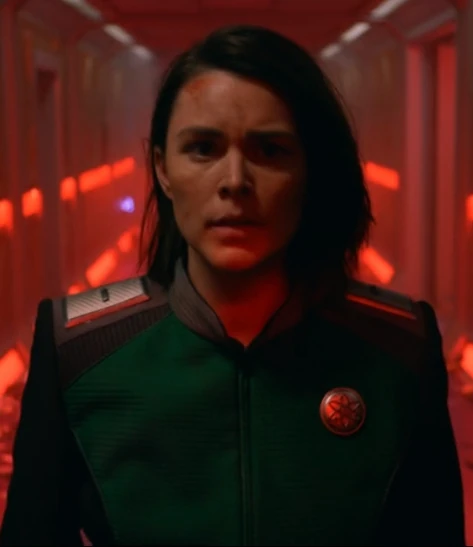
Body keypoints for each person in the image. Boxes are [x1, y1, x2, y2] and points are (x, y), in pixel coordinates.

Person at [0, 24, 465, 547]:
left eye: (270, 150)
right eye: (203, 148)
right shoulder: (81, 350)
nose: (235, 181)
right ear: (162, 168)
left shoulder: (399, 348)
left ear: (311, 171)